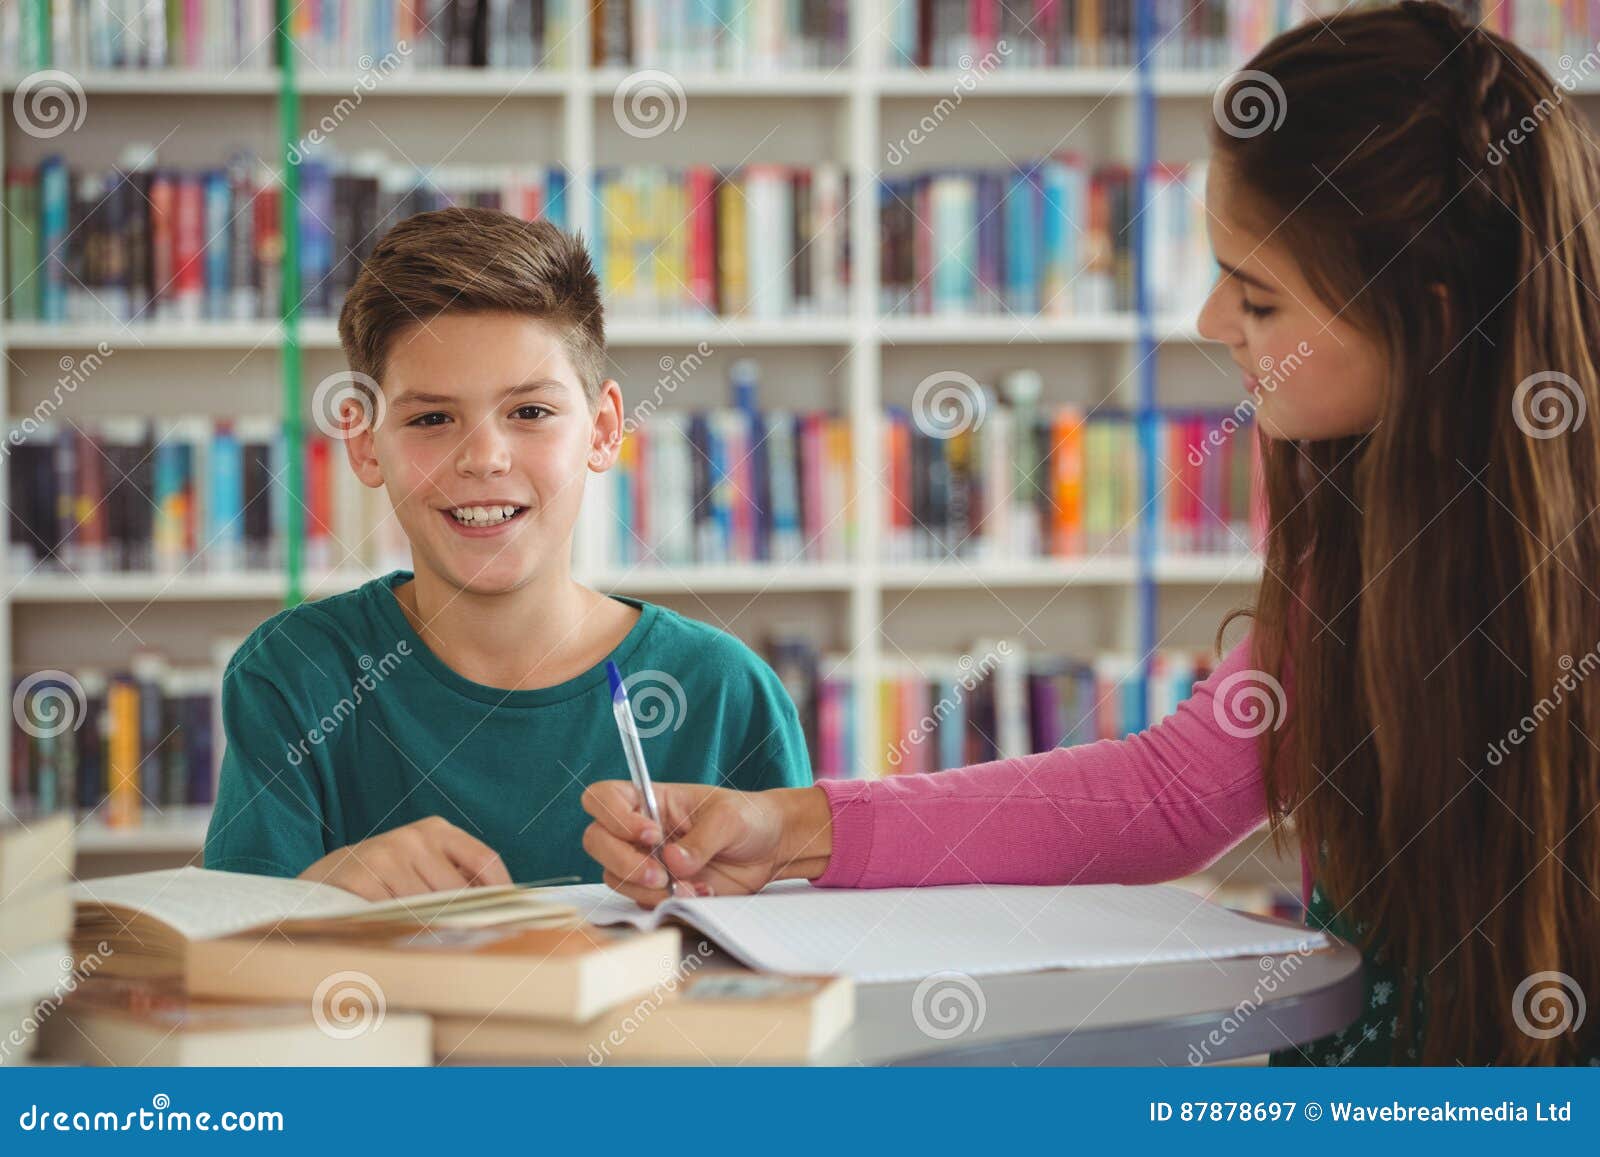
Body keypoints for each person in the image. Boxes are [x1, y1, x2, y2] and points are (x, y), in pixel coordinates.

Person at [580, 1, 1600, 1065]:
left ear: (1432, 315)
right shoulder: (1353, 521)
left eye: (1256, 298)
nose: (1211, 325)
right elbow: (1176, 787)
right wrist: (786, 826)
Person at [205, 209, 811, 897]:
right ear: (366, 444)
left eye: (530, 412)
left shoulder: (727, 693)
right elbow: (229, 969)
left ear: (604, 429)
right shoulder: (295, 676)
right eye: (431, 418)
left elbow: (784, 976)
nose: (484, 458)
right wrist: (317, 895)